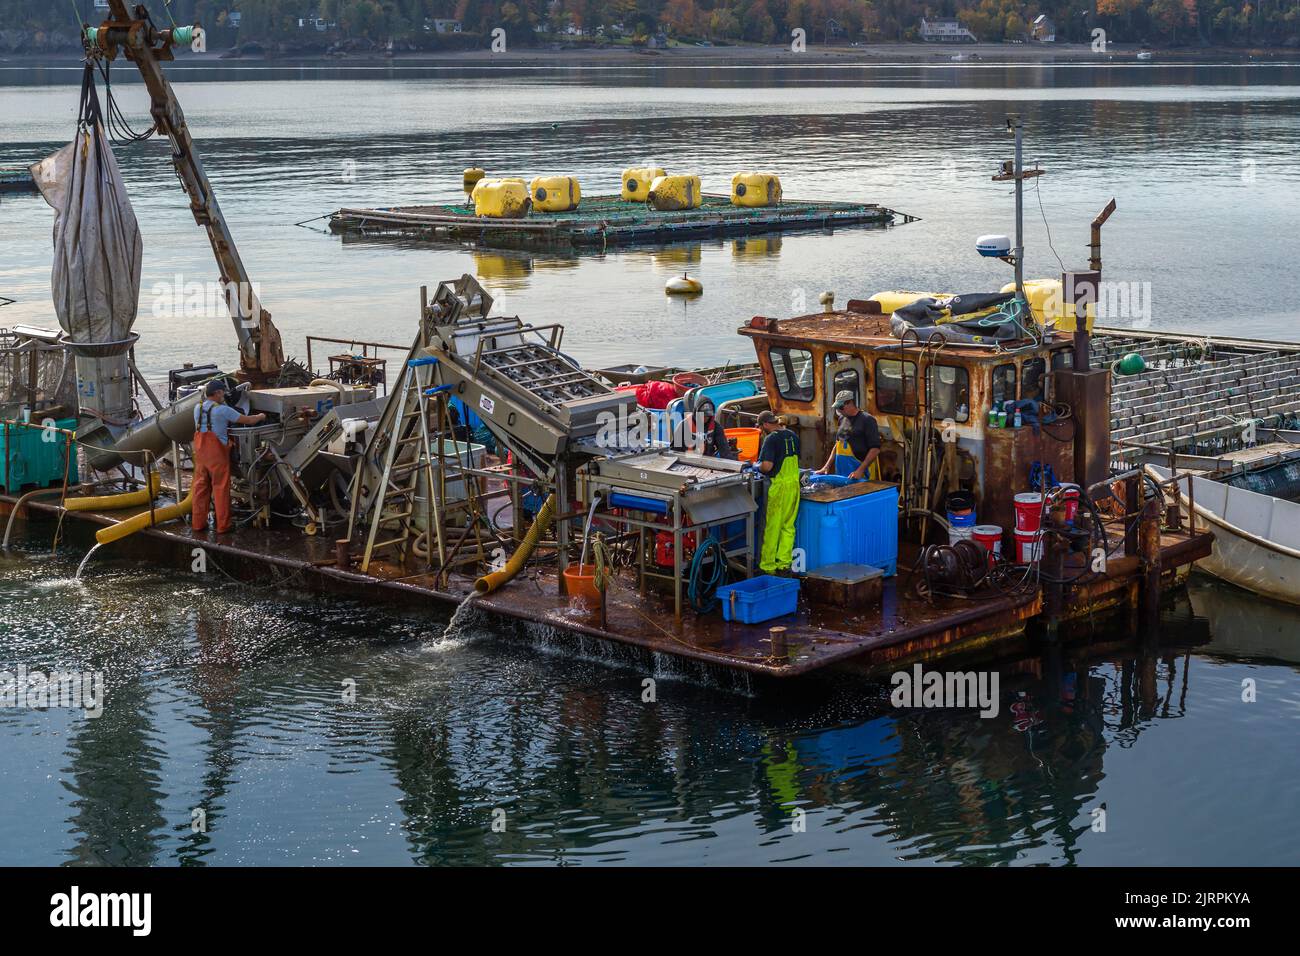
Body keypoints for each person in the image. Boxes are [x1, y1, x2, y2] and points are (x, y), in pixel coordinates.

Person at [192, 380, 266, 534]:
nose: (223, 396)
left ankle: (198, 525)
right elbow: (248, 420)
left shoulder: (197, 409)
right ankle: (223, 526)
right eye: (222, 393)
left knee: (200, 489)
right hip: (216, 456)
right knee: (220, 489)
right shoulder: (223, 410)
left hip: (200, 455)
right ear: (218, 392)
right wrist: (260, 416)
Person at [755, 410, 800, 575]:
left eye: (760, 427)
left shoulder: (771, 439)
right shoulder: (793, 435)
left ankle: (767, 566)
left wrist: (754, 467)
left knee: (771, 527)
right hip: (794, 486)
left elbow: (767, 466)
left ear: (766, 424)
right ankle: (784, 564)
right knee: (788, 526)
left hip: (778, 488)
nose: (761, 430)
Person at [818, 390, 881, 481]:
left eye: (840, 407)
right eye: (837, 407)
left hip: (861, 476)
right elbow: (837, 445)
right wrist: (826, 466)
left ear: (850, 403)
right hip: (842, 474)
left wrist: (860, 471)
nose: (838, 410)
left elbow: (875, 449)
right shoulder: (841, 419)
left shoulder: (867, 420)